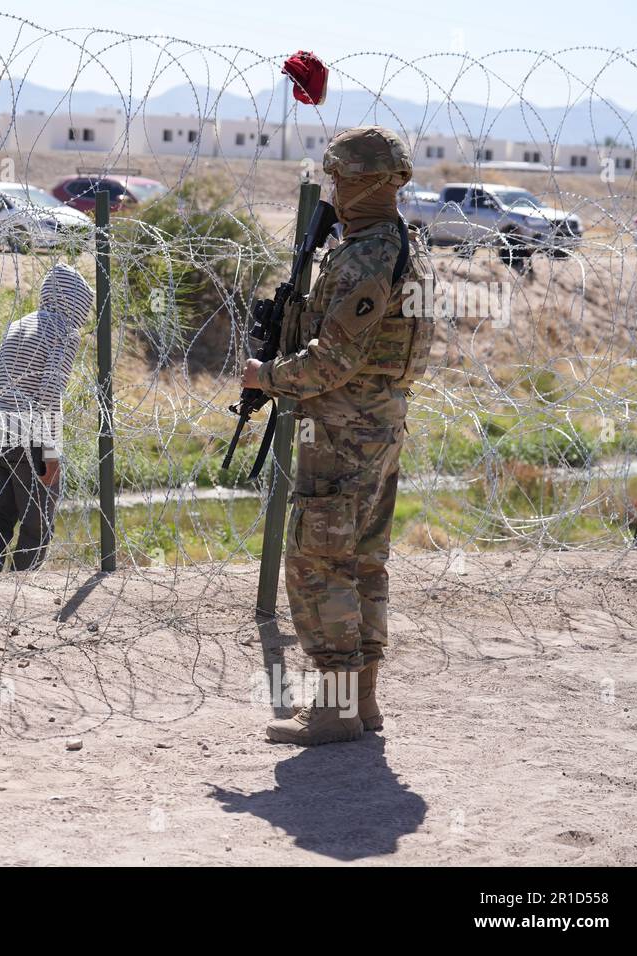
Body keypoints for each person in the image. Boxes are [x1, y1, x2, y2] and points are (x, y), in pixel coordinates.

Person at [243, 125, 434, 746]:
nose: (335, 188)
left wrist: (267, 376)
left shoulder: (366, 257)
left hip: (345, 430)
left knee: (318, 562)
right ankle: (362, 703)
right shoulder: (406, 248)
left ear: (372, 183)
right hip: (380, 423)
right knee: (364, 562)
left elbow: (333, 362)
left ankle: (337, 708)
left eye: (342, 177)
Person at [0, 263, 93, 572]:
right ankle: (22, 585)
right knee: (38, 521)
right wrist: (51, 451)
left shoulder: (18, 324)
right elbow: (50, 393)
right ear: (77, 301)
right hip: (32, 437)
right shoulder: (64, 332)